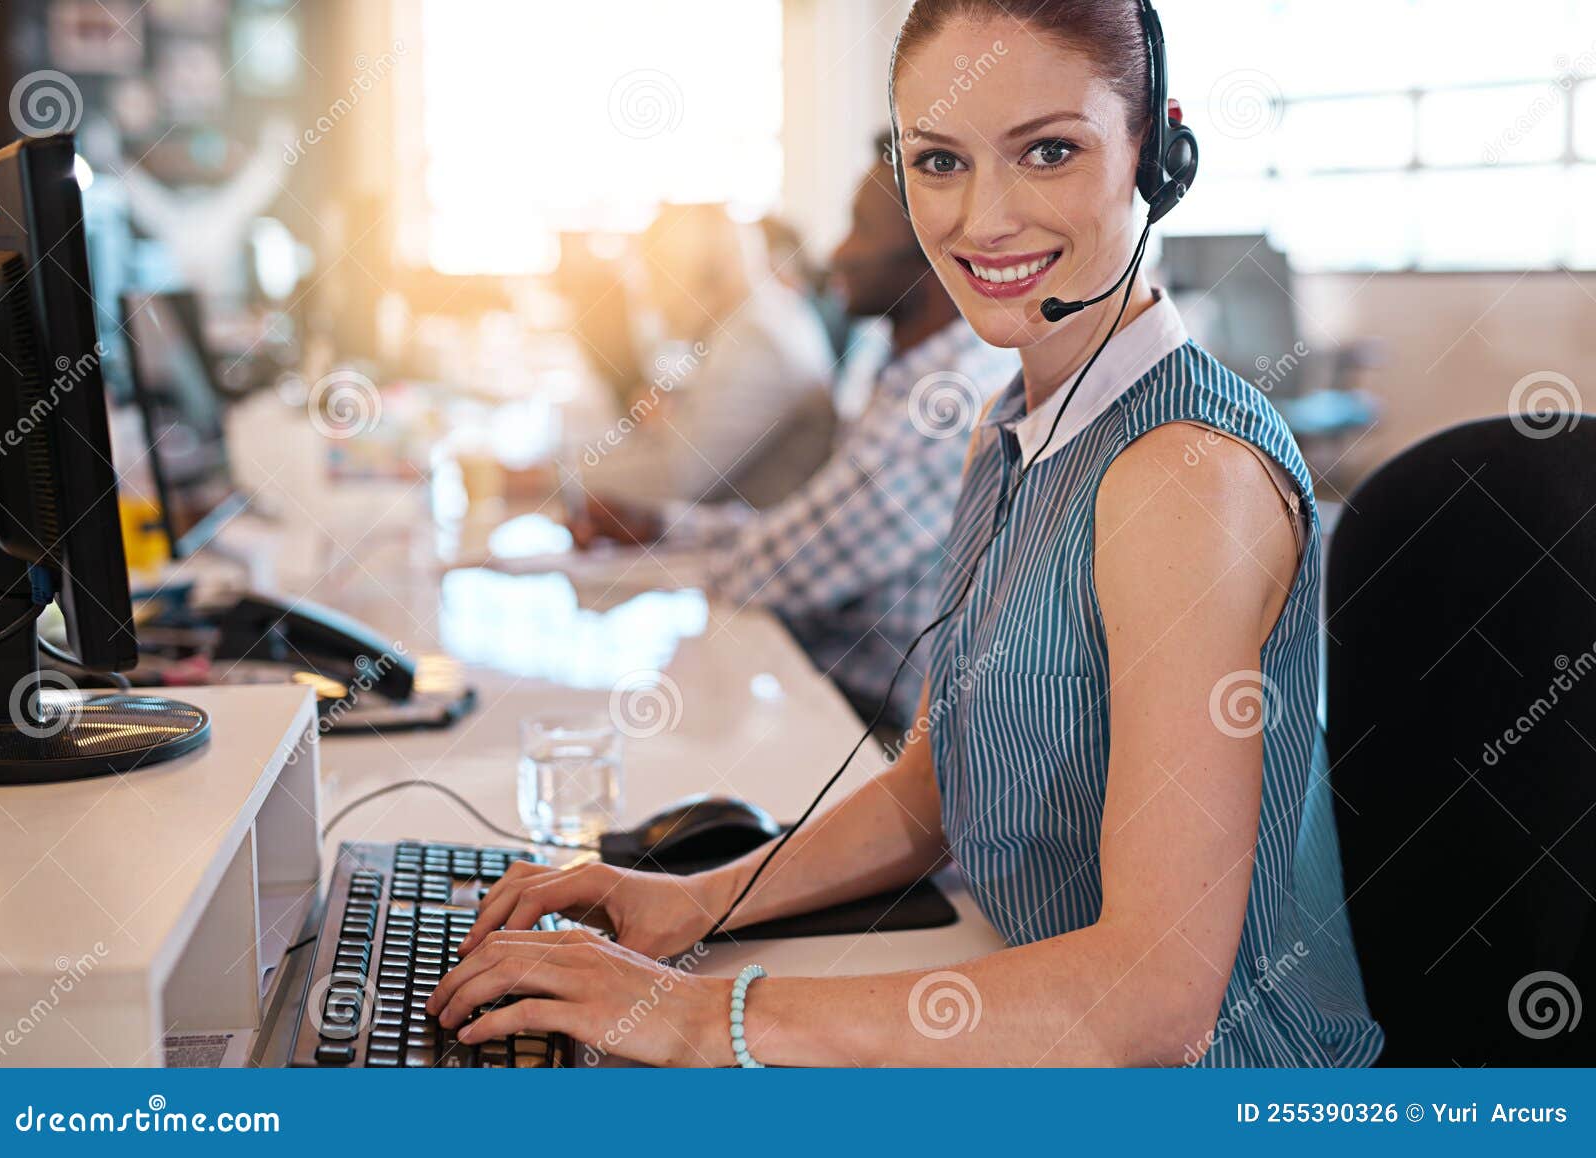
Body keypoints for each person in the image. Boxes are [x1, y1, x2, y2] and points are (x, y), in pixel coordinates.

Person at [427, 0, 1383, 1067]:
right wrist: (686, 903)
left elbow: (1151, 1002)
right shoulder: (1013, 428)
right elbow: (929, 793)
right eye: (939, 162)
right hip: (1027, 1012)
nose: (984, 220)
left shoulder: (1183, 477)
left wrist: (703, 1016)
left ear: (1155, 153)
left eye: (1050, 151)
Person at [569, 140, 1019, 731]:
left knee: (638, 727)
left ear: (936, 250)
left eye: (860, 230)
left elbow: (789, 567)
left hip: (872, 721)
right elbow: (806, 528)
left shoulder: (946, 398)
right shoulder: (900, 365)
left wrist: (670, 534)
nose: (837, 253)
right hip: (829, 682)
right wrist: (661, 528)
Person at [577, 203, 836, 510]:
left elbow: (676, 478)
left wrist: (563, 478)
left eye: (658, 275)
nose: (649, 298)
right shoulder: (756, 319)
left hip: (746, 540)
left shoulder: (756, 340)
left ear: (706, 274)